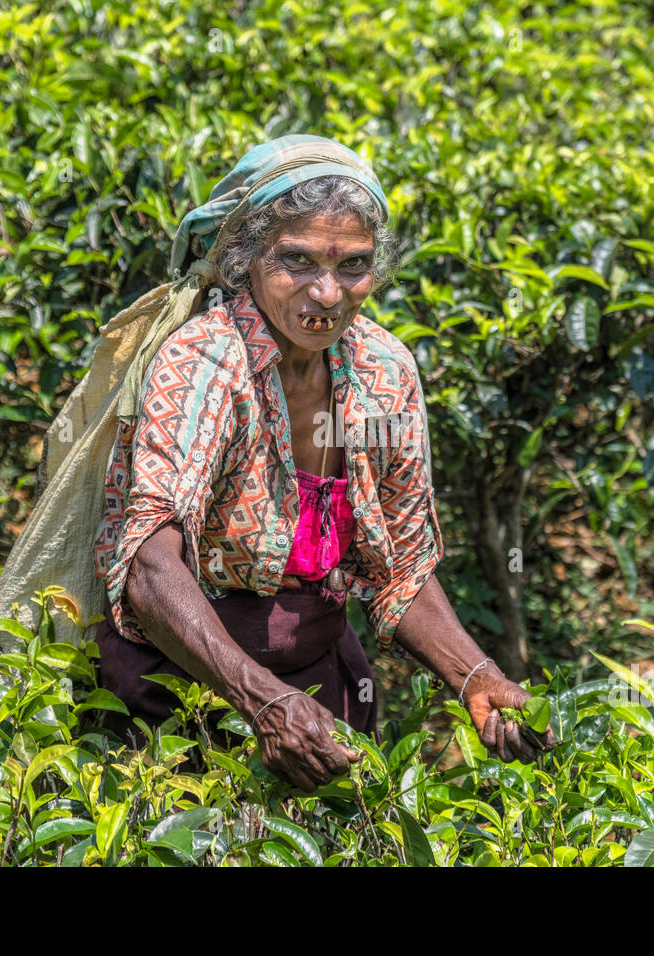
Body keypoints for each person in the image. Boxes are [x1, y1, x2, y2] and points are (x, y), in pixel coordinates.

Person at [93, 134, 555, 792]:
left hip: (314, 674)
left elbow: (400, 563)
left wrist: (474, 676)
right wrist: (264, 704)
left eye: (354, 266)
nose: (329, 293)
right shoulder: (206, 362)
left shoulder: (384, 370)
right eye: (298, 262)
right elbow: (149, 565)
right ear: (248, 259)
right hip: (182, 685)